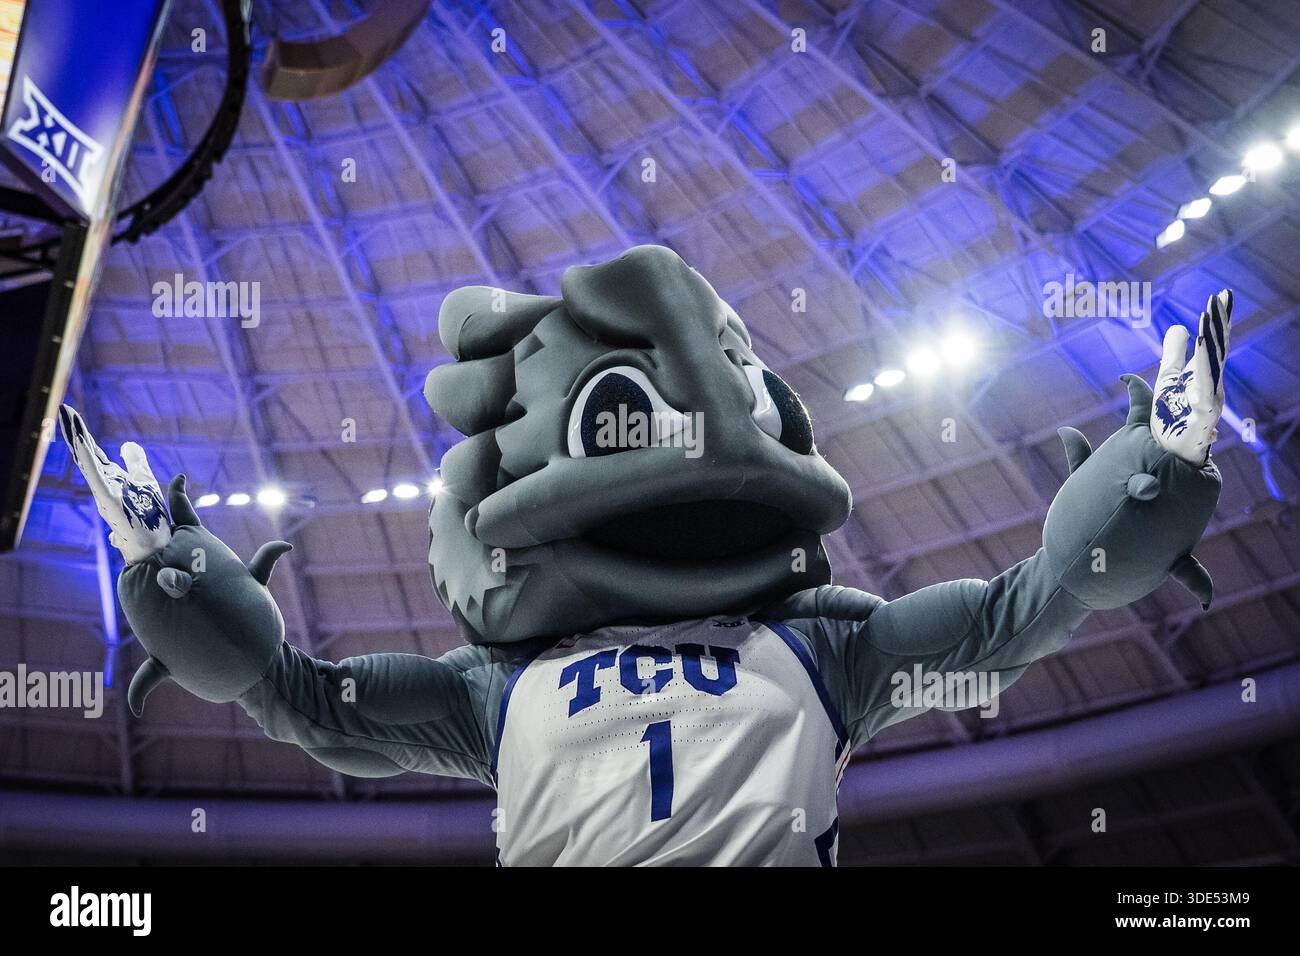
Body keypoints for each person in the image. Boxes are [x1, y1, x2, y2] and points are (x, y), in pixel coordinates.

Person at [62, 246, 1231, 865]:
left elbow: (300, 700)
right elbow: (301, 698)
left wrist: (1153, 472)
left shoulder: (514, 693)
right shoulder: (825, 652)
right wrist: (179, 566)